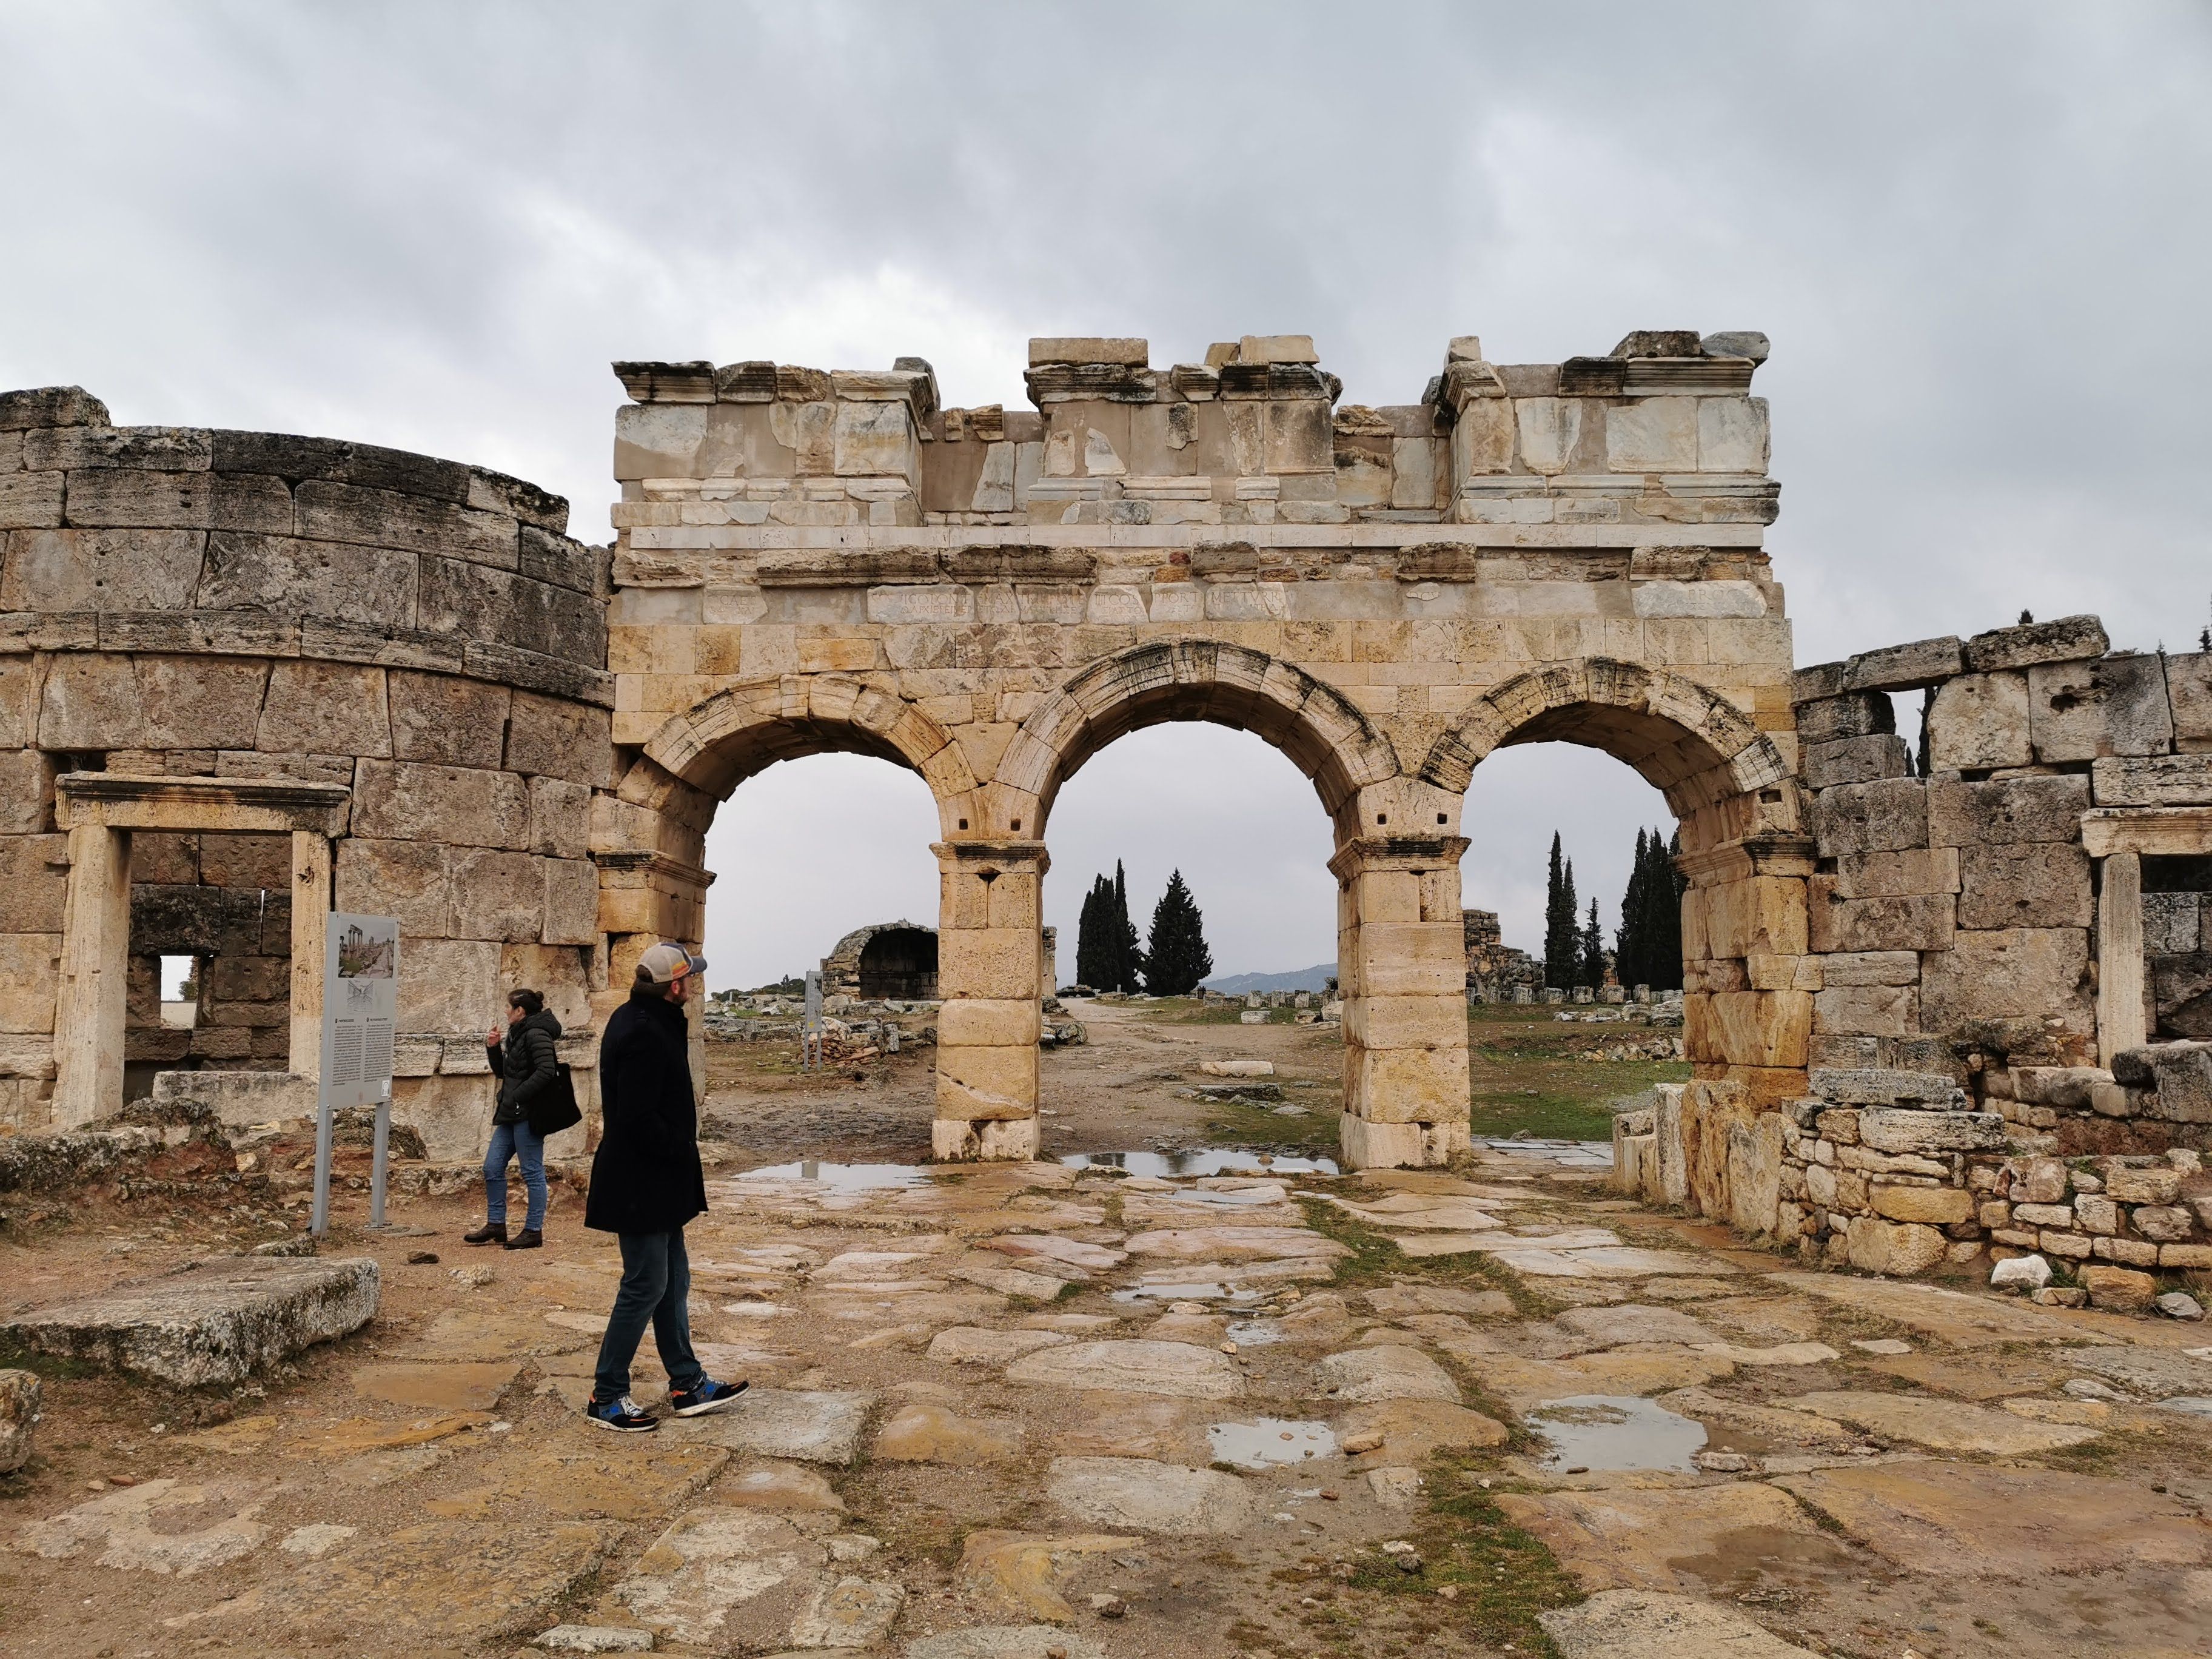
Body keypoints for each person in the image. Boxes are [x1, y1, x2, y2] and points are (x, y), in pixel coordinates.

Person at [582, 942, 747, 1432]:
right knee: (645, 1284)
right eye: (689, 978)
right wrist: (679, 1145)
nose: (694, 984)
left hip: (656, 1179)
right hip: (641, 1179)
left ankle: (688, 1384)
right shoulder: (643, 1032)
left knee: (674, 1281)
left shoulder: (642, 1018)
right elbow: (636, 1117)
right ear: (675, 985)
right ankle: (606, 1395)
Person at [464, 988, 561, 1250]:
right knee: (492, 1168)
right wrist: (494, 1048)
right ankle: (496, 1225)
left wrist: (519, 1096)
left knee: (532, 1172)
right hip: (511, 1112)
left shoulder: (537, 1033)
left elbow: (547, 1072)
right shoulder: (517, 1033)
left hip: (527, 1114)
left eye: (509, 1007)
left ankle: (533, 1231)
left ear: (521, 1011)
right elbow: (504, 1073)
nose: (506, 1011)